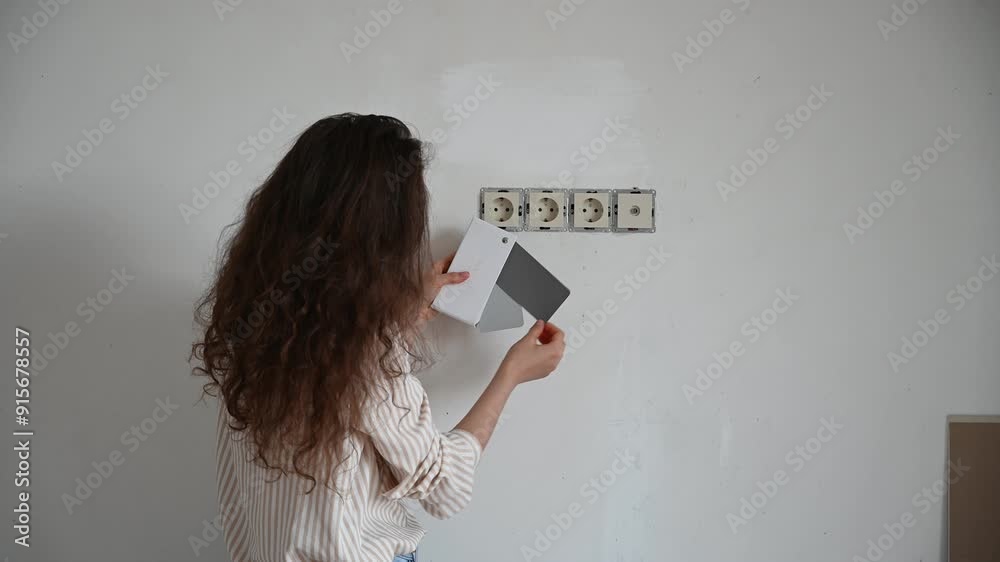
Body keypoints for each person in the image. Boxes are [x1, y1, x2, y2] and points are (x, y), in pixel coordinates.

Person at [191, 113, 566, 562]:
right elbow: (445, 490)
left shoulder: (250, 324)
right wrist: (511, 375)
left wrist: (396, 325)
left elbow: (345, 396)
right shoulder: (365, 363)